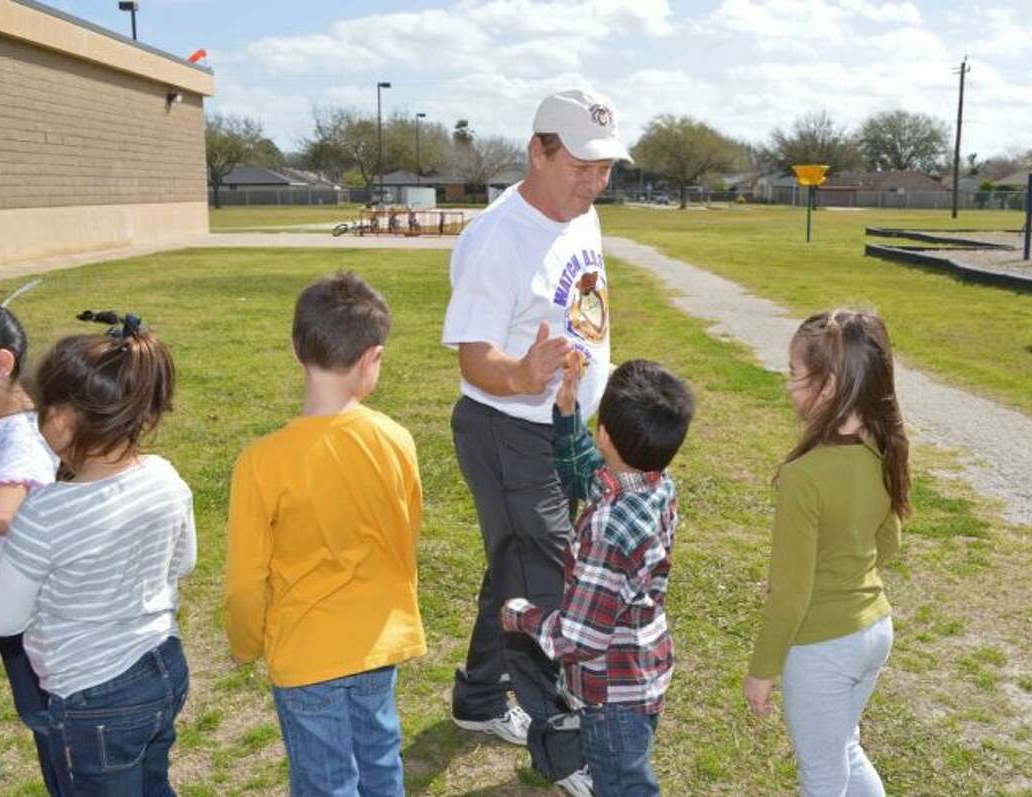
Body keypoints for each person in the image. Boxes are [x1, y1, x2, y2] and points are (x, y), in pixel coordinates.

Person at [441, 87, 631, 797]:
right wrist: (521, 372)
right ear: (538, 150)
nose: (595, 181)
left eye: (605, 166)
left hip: (560, 428)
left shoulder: (582, 216)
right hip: (505, 429)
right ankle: (566, 751)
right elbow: (474, 356)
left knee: (515, 560)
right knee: (545, 584)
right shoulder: (497, 238)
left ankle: (479, 697)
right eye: (581, 164)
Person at [225, 272, 425, 797]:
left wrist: (246, 644)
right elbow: (405, 537)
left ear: (297, 350)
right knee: (380, 765)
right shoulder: (396, 441)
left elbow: (246, 582)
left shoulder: (260, 463)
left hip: (305, 653)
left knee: (325, 783)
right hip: (377, 643)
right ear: (371, 358)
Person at [0, 311, 194, 796]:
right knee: (153, 786)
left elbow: (1, 620)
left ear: (60, 418)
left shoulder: (45, 513)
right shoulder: (165, 476)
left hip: (93, 699)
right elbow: (183, 562)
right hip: (162, 670)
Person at [501, 358, 694, 797]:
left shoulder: (608, 530)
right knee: (627, 774)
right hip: (640, 672)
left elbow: (576, 639)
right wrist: (568, 413)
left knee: (622, 785)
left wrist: (520, 614)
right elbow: (589, 471)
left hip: (611, 696)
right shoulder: (655, 485)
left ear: (604, 432)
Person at [742, 310, 910, 797]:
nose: (788, 383)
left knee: (821, 776)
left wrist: (762, 671)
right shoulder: (882, 447)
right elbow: (888, 545)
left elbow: (791, 595)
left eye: (795, 373)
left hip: (823, 648)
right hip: (874, 630)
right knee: (844, 749)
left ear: (830, 385)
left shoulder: (805, 477)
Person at [0, 303, 62, 796]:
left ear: (1, 364)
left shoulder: (22, 437)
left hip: (24, 611)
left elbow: (3, 513)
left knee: (46, 719)